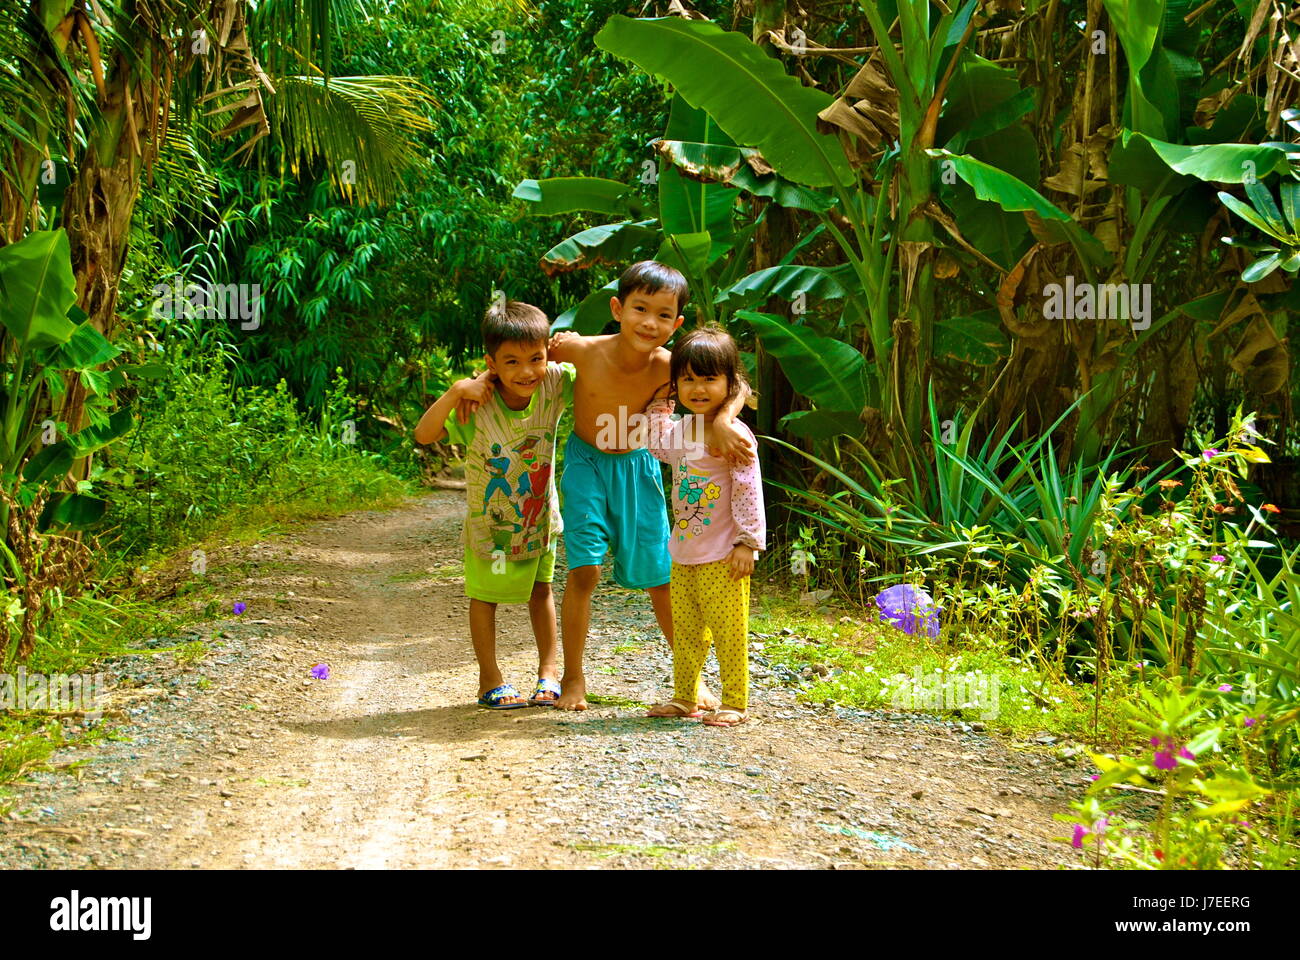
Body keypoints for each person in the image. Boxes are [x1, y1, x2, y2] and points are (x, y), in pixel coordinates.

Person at [545, 262, 755, 710]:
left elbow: (740, 385)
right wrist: (478, 385)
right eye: (640, 308)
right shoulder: (583, 350)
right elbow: (527, 360)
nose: (649, 322)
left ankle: (690, 682)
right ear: (618, 308)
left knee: (662, 579)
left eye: (663, 315)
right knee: (585, 570)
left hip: (639, 470)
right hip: (587, 464)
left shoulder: (670, 364)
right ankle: (573, 678)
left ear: (677, 324)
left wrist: (721, 420)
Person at [413, 300, 572, 709]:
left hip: (539, 520)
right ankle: (490, 678)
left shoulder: (554, 382)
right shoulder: (475, 403)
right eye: (511, 362)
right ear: (491, 362)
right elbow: (425, 434)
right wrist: (455, 390)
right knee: (486, 596)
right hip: (493, 528)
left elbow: (602, 362)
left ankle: (548, 673)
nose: (526, 372)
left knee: (541, 591)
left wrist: (571, 344)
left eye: (536, 358)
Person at [643, 326, 765, 727]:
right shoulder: (683, 429)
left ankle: (735, 702)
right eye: (688, 379)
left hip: (724, 554)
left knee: (730, 632)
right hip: (685, 553)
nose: (697, 388)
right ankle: (685, 697)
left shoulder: (733, 435)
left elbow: (748, 487)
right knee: (688, 631)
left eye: (709, 379)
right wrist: (660, 403)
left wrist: (747, 543)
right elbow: (658, 445)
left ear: (730, 385)